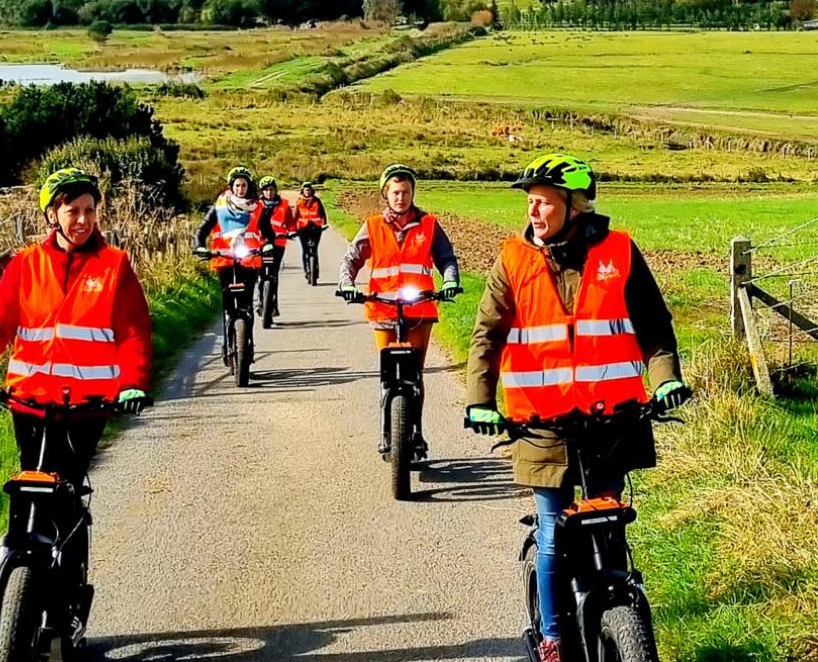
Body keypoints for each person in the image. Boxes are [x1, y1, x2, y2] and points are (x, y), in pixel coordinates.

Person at [462, 154, 690, 662]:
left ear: (574, 204)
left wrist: (667, 379)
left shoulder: (620, 253)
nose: (534, 211)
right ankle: (554, 637)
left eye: (543, 201)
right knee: (552, 530)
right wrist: (480, 401)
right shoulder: (514, 260)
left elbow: (654, 328)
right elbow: (487, 336)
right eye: (530, 202)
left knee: (609, 526)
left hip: (612, 422)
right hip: (540, 426)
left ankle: (621, 623)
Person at [0, 167, 155, 601]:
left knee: (65, 495)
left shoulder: (114, 266)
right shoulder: (26, 265)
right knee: (29, 489)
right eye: (72, 211)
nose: (82, 220)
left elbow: (134, 331)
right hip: (27, 402)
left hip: (88, 406)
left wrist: (132, 383)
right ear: (51, 214)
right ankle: (24, 589)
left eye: (90, 211)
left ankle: (70, 593)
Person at [337, 163, 460, 457]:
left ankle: (416, 432)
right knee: (387, 376)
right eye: (395, 192)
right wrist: (346, 283)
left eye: (406, 192)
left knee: (415, 374)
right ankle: (385, 432)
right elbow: (351, 259)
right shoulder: (373, 226)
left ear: (413, 193)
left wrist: (451, 280)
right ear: (386, 194)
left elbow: (446, 258)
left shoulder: (429, 224)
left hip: (419, 310)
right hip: (382, 310)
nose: (401, 197)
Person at [196, 167, 275, 355]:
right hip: (224, 260)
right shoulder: (220, 206)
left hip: (249, 260)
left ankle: (247, 342)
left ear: (249, 186)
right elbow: (202, 230)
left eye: (244, 185)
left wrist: (267, 245)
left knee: (247, 304)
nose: (241, 189)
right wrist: (200, 246)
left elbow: (268, 233)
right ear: (231, 186)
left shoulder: (258, 208)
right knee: (228, 306)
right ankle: (227, 340)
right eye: (237, 185)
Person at [256, 176, 296, 320]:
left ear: (275, 190)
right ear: (262, 192)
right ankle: (260, 300)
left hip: (279, 243)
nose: (269, 192)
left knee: (273, 275)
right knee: (260, 275)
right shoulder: (256, 205)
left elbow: (290, 222)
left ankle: (274, 305)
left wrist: (291, 231)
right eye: (266, 190)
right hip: (260, 243)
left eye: (271, 189)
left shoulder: (284, 204)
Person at [293, 182, 329, 285]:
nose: (307, 192)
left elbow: (322, 213)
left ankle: (315, 272)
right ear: (302, 191)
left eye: (309, 190)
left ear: (311, 191)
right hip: (303, 228)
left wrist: (324, 223)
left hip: (315, 228)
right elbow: (295, 215)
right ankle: (307, 271)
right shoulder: (299, 201)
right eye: (305, 190)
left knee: (314, 249)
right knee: (305, 250)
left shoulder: (317, 200)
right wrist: (293, 227)